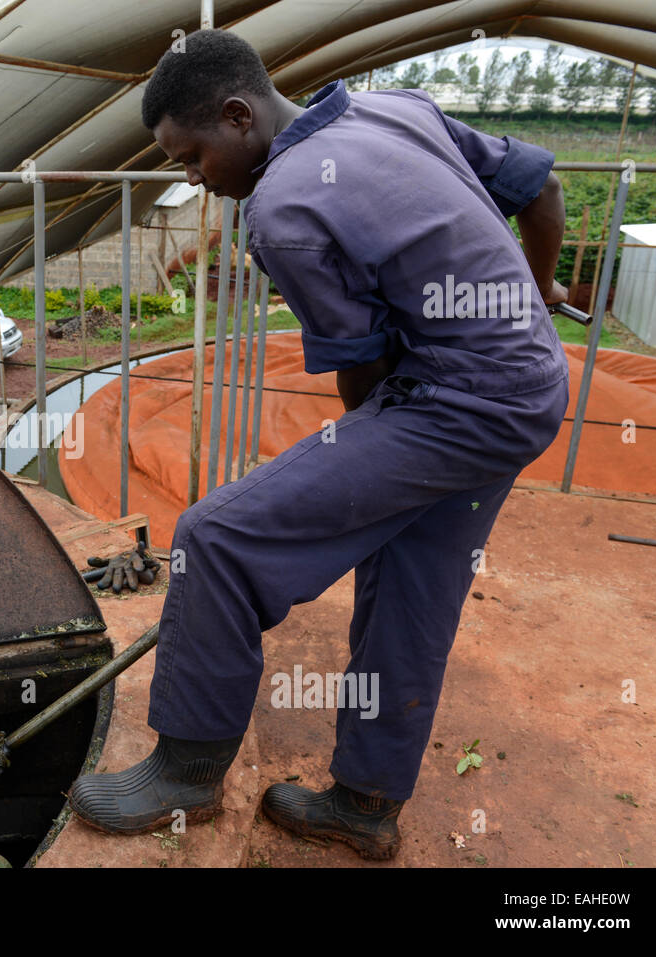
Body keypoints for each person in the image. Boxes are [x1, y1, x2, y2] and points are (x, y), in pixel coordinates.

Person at [66, 29, 570, 860]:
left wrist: (364, 471)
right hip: (528, 384)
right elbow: (541, 188)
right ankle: (364, 805)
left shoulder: (284, 207)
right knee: (411, 581)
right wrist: (540, 293)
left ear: (237, 117)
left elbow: (364, 372)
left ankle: (187, 769)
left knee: (216, 536)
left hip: (460, 400)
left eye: (190, 158)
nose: (194, 179)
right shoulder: (397, 111)